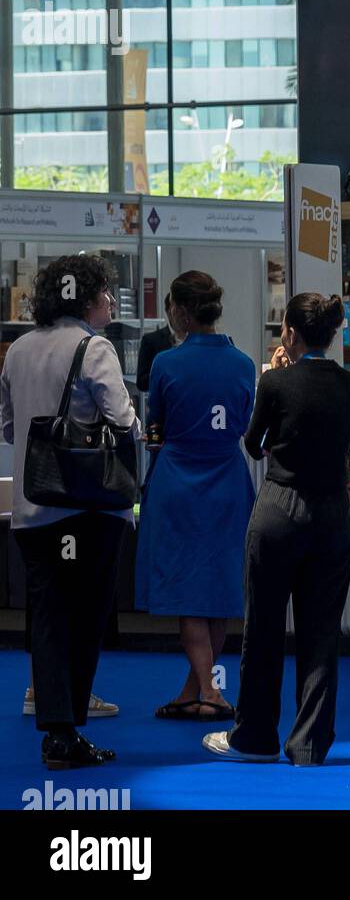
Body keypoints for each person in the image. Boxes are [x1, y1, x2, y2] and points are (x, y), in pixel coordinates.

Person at [203, 294, 350, 764]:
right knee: (322, 631)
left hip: (279, 509)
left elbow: (253, 445)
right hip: (333, 513)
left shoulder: (275, 381)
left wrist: (273, 380)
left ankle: (253, 737)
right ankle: (309, 742)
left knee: (265, 626)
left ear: (290, 332)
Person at [0, 255, 138, 768]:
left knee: (49, 617)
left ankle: (56, 727)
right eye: (105, 292)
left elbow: (10, 428)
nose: (110, 301)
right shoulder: (94, 348)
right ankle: (64, 729)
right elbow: (123, 421)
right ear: (87, 298)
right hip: (85, 511)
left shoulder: (18, 349)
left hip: (32, 510)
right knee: (84, 620)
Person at [136, 271, 256, 722]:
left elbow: (157, 424)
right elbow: (243, 424)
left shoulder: (166, 362)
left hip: (178, 480)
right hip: (227, 478)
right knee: (219, 588)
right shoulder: (243, 363)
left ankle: (209, 690)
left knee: (187, 590)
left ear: (181, 312)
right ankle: (196, 689)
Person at [136, 292, 186, 397]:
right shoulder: (151, 340)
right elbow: (141, 382)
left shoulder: (196, 339)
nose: (182, 316)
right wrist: (166, 373)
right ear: (168, 312)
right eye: (178, 310)